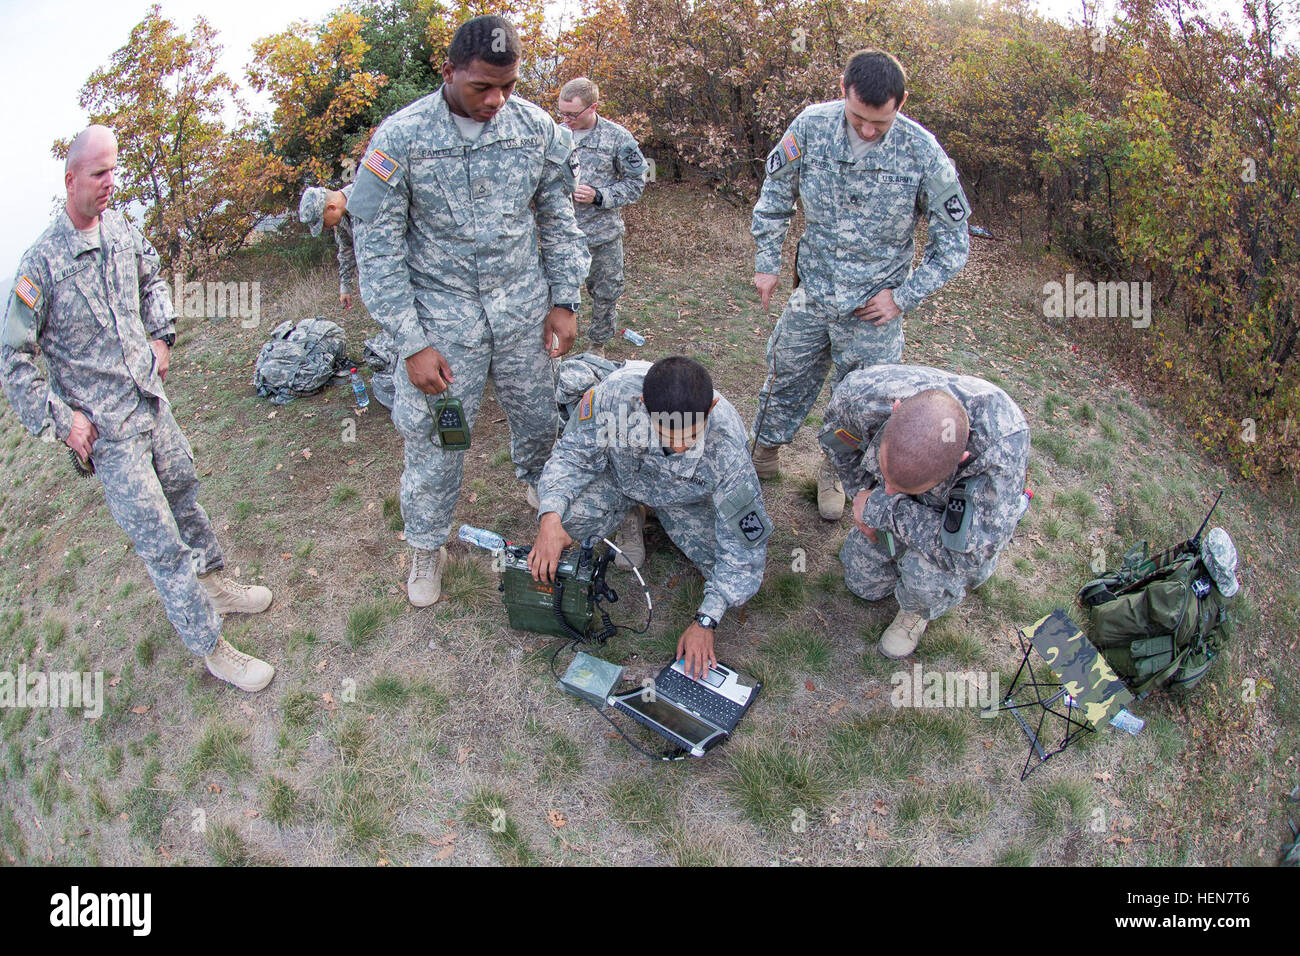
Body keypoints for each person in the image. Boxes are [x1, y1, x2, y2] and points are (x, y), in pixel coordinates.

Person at [1, 125, 275, 692]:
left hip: (152, 403)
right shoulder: (41, 267)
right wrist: (62, 420)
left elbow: (152, 280)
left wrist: (161, 336)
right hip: (109, 433)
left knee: (186, 492)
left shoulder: (122, 229)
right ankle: (212, 647)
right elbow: (15, 361)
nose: (110, 184)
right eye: (99, 174)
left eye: (114, 171)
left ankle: (216, 585)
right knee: (160, 542)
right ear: (71, 177)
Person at [351, 15, 590, 607]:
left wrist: (564, 300)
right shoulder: (399, 139)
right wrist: (410, 340)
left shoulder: (536, 129)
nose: (496, 99)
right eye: (482, 86)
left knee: (538, 417)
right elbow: (376, 249)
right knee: (440, 437)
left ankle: (546, 500)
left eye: (507, 85)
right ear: (449, 71)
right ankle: (427, 544)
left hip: (523, 314)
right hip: (442, 325)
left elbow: (559, 220)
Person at [750, 49, 972, 521]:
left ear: (901, 103)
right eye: (858, 118)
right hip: (812, 293)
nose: (868, 130)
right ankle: (765, 451)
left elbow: (953, 245)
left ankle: (834, 469)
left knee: (861, 403)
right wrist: (767, 263)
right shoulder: (811, 126)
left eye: (881, 122)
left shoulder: (922, 152)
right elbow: (774, 198)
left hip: (874, 310)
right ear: (843, 90)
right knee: (784, 373)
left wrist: (903, 297)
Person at [528, 356, 772, 679]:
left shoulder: (727, 447)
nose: (681, 445)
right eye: (669, 433)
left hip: (681, 501)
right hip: (618, 480)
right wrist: (549, 517)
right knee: (565, 518)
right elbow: (572, 455)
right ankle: (632, 512)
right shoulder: (614, 398)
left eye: (691, 435)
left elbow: (745, 548)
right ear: (643, 405)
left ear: (711, 409)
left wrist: (706, 620)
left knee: (729, 574)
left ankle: (647, 513)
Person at [820, 364, 1029, 659]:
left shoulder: (999, 453)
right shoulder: (860, 397)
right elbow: (839, 448)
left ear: (962, 461)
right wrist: (862, 502)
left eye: (902, 486)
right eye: (886, 476)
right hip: (901, 512)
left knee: (925, 580)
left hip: (953, 524)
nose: (888, 489)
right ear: (895, 410)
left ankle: (916, 613)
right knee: (862, 583)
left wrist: (881, 509)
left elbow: (966, 552)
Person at [556, 77, 648, 352]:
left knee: (605, 294)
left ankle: (598, 347)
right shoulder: (555, 135)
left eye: (573, 114)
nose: (566, 119)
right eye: (562, 112)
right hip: (562, 236)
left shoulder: (618, 137)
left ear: (593, 107)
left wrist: (600, 196)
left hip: (603, 235)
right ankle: (554, 344)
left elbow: (637, 183)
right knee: (556, 295)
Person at [298, 185, 358, 309]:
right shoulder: (341, 218)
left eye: (323, 223)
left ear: (331, 208)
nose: (325, 228)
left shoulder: (367, 196)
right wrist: (345, 287)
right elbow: (346, 249)